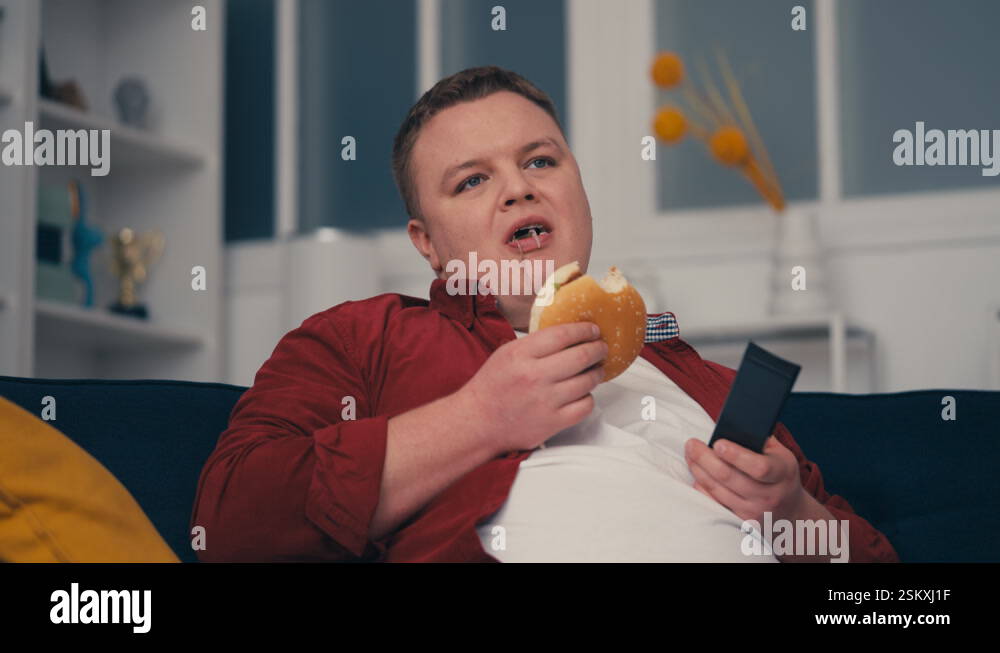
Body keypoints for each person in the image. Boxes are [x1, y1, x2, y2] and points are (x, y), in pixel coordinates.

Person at [190, 66, 899, 563]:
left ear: (582, 195)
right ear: (427, 243)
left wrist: (793, 516)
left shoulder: (702, 379)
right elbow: (229, 524)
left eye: (540, 162)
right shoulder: (362, 339)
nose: (518, 190)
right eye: (472, 180)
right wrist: (478, 418)